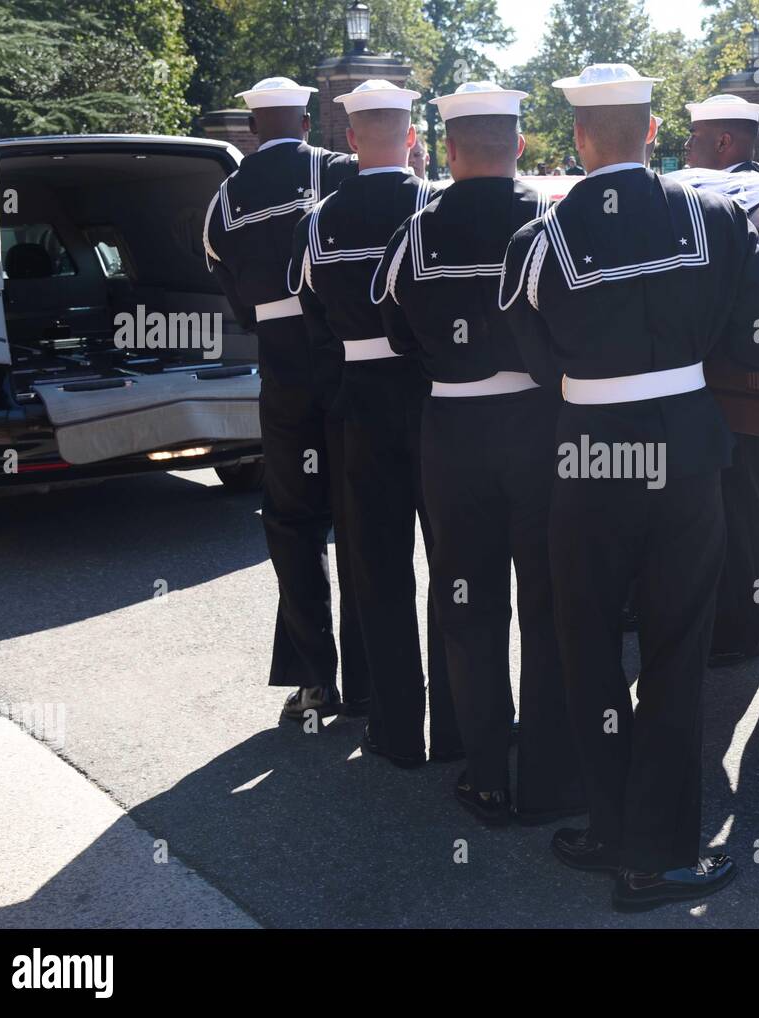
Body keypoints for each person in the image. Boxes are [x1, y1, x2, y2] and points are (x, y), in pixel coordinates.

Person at [499, 63, 759, 910]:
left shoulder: (539, 240)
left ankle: (606, 827)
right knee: (675, 653)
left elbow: (530, 354)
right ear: (653, 131)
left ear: (579, 139)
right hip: (686, 454)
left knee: (586, 644)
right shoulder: (715, 217)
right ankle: (659, 854)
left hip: (588, 457)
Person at [375, 81, 584, 823]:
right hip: (540, 425)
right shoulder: (557, 223)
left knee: (467, 601)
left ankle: (486, 768)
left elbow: (398, 334)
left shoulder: (415, 232)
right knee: (549, 597)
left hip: (454, 436)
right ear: (520, 145)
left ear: (451, 151)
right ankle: (556, 775)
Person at [286, 79, 461, 767]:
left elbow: (311, 320)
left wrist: (340, 391)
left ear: (349, 139)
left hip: (359, 404)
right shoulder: (436, 206)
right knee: (454, 566)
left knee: (378, 571)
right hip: (436, 397)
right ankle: (456, 723)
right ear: (413, 137)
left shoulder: (319, 218)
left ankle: (394, 727)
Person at [202, 77, 367, 722]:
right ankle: (371, 677)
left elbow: (229, 287)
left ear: (252, 128)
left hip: (282, 368)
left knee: (294, 523)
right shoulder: (342, 171)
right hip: (344, 356)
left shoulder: (226, 199)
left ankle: (312, 676)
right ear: (307, 118)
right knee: (360, 521)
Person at [682, 94, 759, 667]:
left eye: (692, 142)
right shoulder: (742, 192)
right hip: (722, 373)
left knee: (733, 502)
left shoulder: (744, 200)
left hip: (726, 374)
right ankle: (729, 615)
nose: (684, 154)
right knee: (725, 499)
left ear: (722, 144)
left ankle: (740, 625)